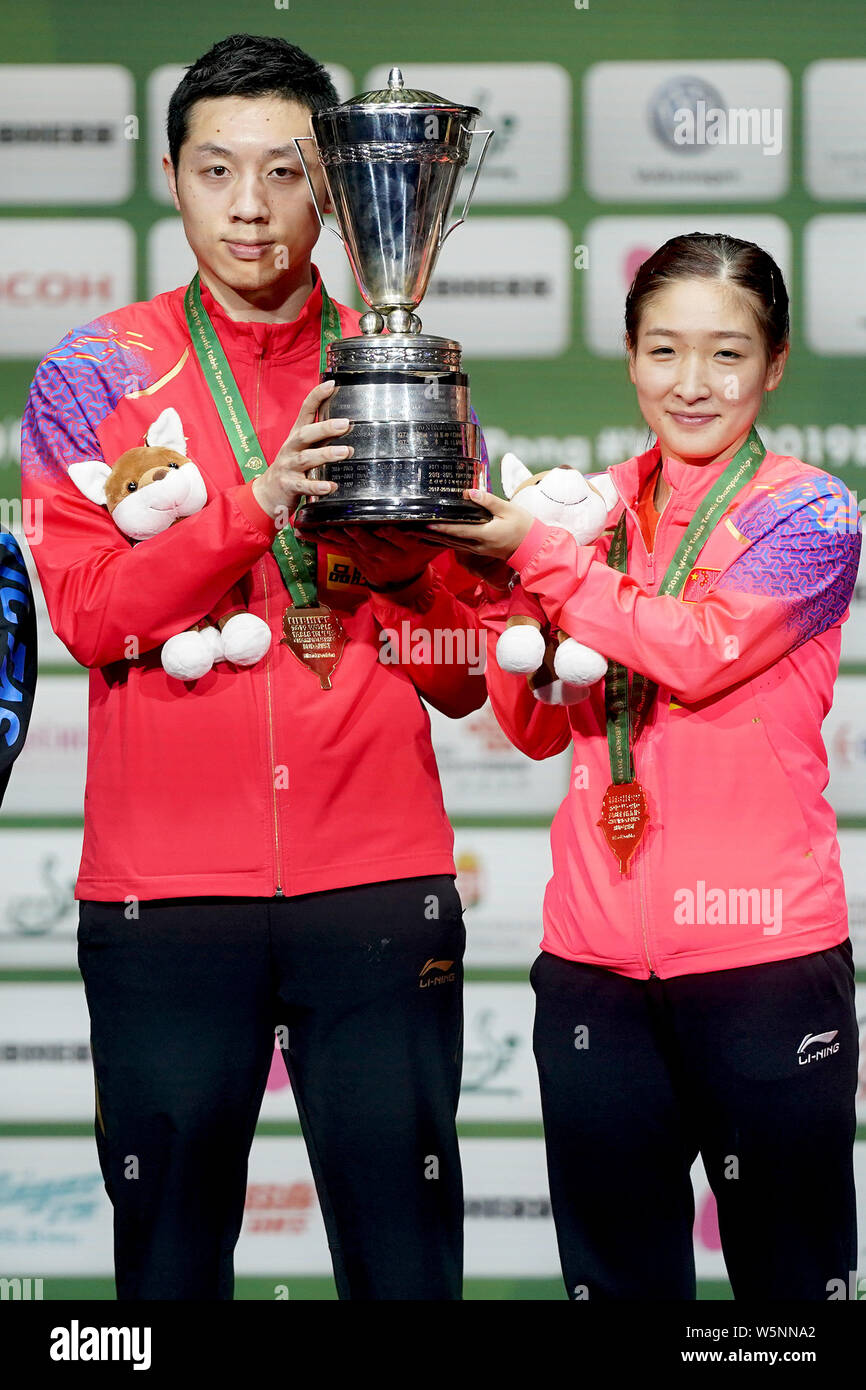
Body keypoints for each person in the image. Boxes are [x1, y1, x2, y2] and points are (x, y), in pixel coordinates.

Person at [19, 33, 498, 1302]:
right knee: (166, 1275)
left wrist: (396, 571)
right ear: (169, 177)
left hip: (376, 882)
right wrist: (254, 505)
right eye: (215, 167)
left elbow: (464, 672)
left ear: (331, 190)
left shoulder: (402, 377)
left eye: (285, 171)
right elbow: (85, 614)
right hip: (164, 894)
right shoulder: (93, 373)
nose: (248, 205)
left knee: (406, 1267)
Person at [429, 232, 862, 1300]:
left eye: (725, 353)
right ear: (628, 356)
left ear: (773, 362)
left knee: (789, 1295)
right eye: (663, 350)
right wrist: (498, 598)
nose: (691, 382)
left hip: (762, 964)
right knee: (615, 1285)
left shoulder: (809, 512)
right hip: (592, 971)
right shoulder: (582, 508)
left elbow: (697, 649)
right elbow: (531, 726)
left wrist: (534, 555)